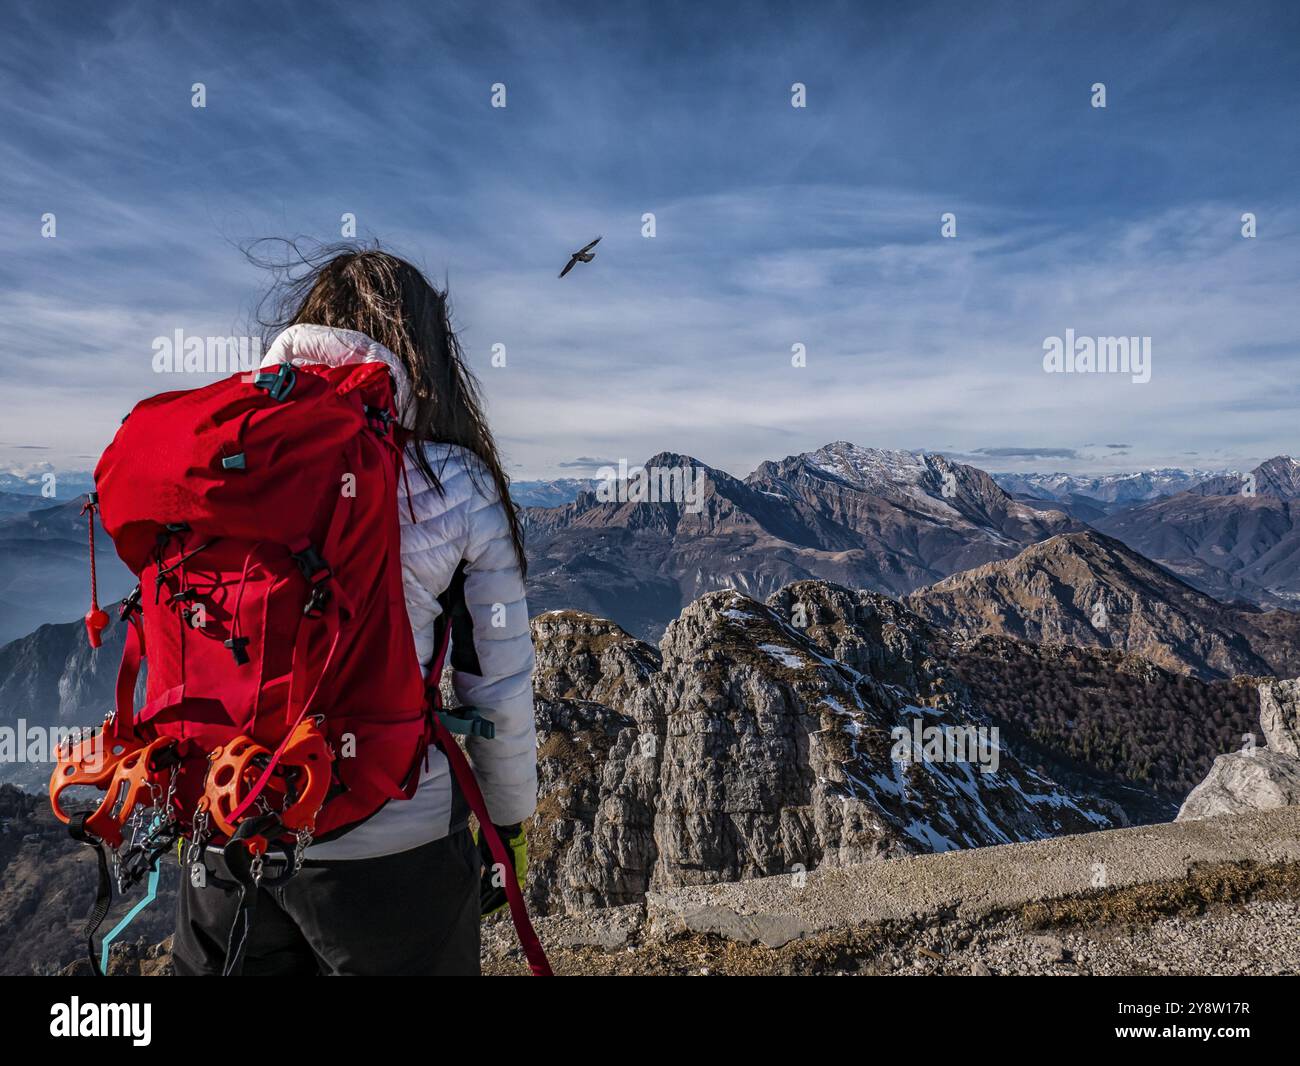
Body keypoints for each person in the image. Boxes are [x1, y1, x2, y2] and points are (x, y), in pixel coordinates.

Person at [172, 246, 537, 976]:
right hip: (392, 847)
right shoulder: (455, 481)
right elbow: (496, 685)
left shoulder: (220, 459)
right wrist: (508, 824)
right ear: (429, 353)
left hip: (227, 827)